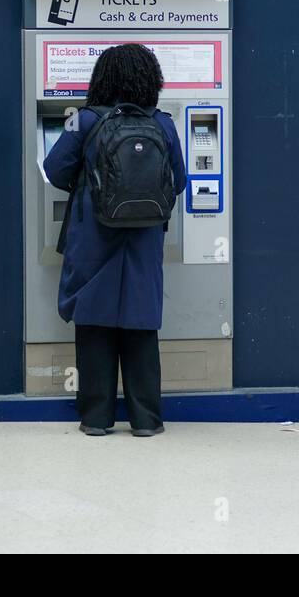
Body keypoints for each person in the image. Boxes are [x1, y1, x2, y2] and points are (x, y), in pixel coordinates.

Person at [45, 43, 187, 437]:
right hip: (143, 242)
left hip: (93, 236)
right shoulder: (163, 124)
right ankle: (146, 420)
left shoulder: (84, 119)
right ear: (150, 80)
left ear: (101, 78)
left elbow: (54, 170)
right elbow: (181, 180)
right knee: (141, 325)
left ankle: (95, 419)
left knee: (94, 323)